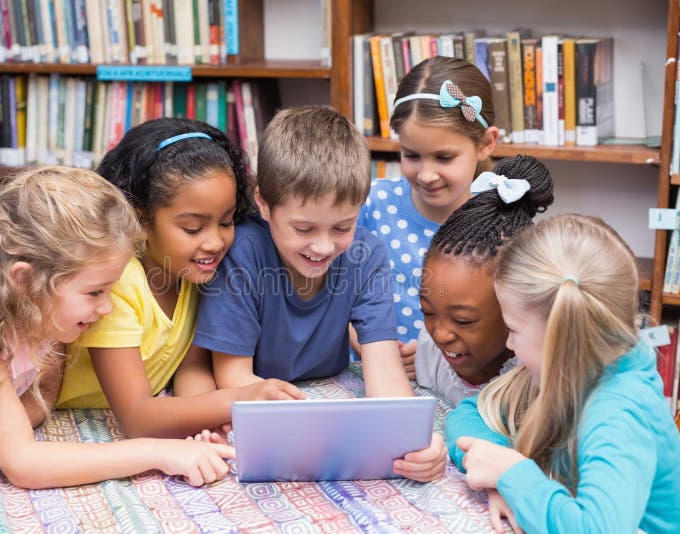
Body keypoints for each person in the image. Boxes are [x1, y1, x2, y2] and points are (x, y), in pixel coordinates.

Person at [0, 167, 234, 488]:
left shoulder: (41, 313)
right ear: (26, 279)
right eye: (95, 292)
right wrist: (160, 452)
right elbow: (23, 463)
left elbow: (41, 398)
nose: (107, 308)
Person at [194, 105, 447, 482]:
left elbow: (384, 372)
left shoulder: (368, 255)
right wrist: (303, 429)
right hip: (258, 396)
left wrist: (415, 441)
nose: (324, 246)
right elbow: (233, 377)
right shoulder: (242, 254)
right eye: (304, 229)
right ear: (263, 203)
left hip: (322, 383)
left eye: (343, 227)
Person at [56, 119, 305, 438]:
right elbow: (137, 418)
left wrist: (203, 422)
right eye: (192, 228)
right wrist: (238, 398)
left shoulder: (196, 273)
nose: (215, 242)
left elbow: (190, 368)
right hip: (68, 415)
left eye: (227, 222)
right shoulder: (117, 286)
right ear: (141, 219)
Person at [447, 214, 680, 533]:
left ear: (558, 339)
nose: (508, 344)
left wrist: (513, 474)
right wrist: (499, 470)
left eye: (513, 329)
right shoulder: (566, 370)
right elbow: (469, 413)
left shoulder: (619, 412)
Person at [358, 56, 499, 377]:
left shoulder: (501, 220)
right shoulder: (371, 204)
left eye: (444, 157)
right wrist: (368, 347)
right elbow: (332, 294)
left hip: (463, 380)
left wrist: (436, 353)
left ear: (486, 144)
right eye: (411, 155)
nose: (426, 174)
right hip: (368, 373)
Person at [415, 154, 553, 405]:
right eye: (428, 312)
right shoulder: (430, 352)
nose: (441, 334)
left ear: (515, 312)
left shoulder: (537, 372)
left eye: (463, 320)